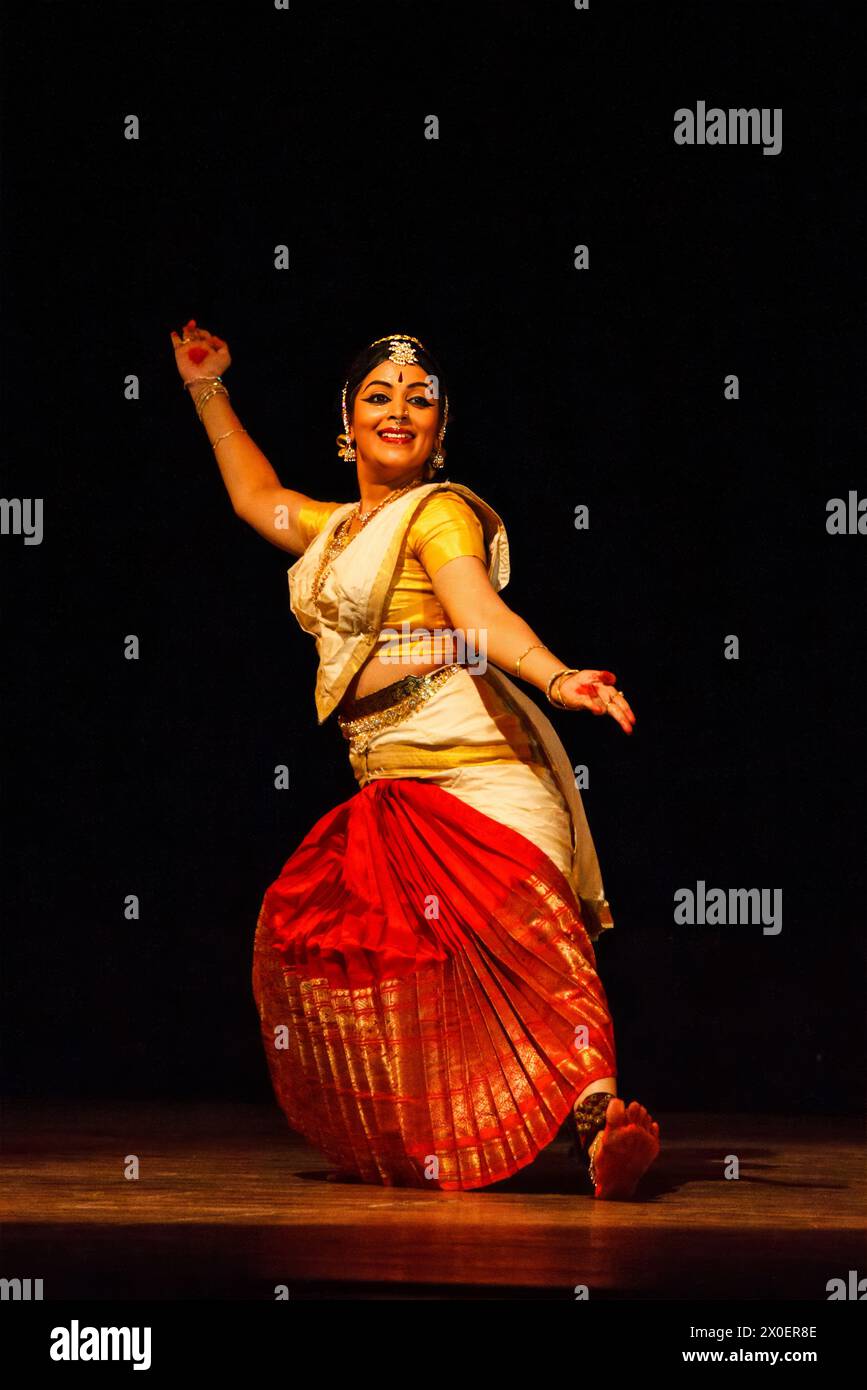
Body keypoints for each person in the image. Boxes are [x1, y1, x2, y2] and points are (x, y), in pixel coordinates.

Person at [170, 320, 660, 1199]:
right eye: (379, 396)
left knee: (534, 948)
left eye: (419, 399)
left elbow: (478, 616)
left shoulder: (438, 512)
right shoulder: (334, 529)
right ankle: (445, 1138)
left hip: (483, 762)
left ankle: (600, 1126)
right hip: (391, 780)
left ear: (439, 429)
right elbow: (254, 496)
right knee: (354, 947)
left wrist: (556, 678)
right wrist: (207, 387)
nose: (399, 410)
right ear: (347, 423)